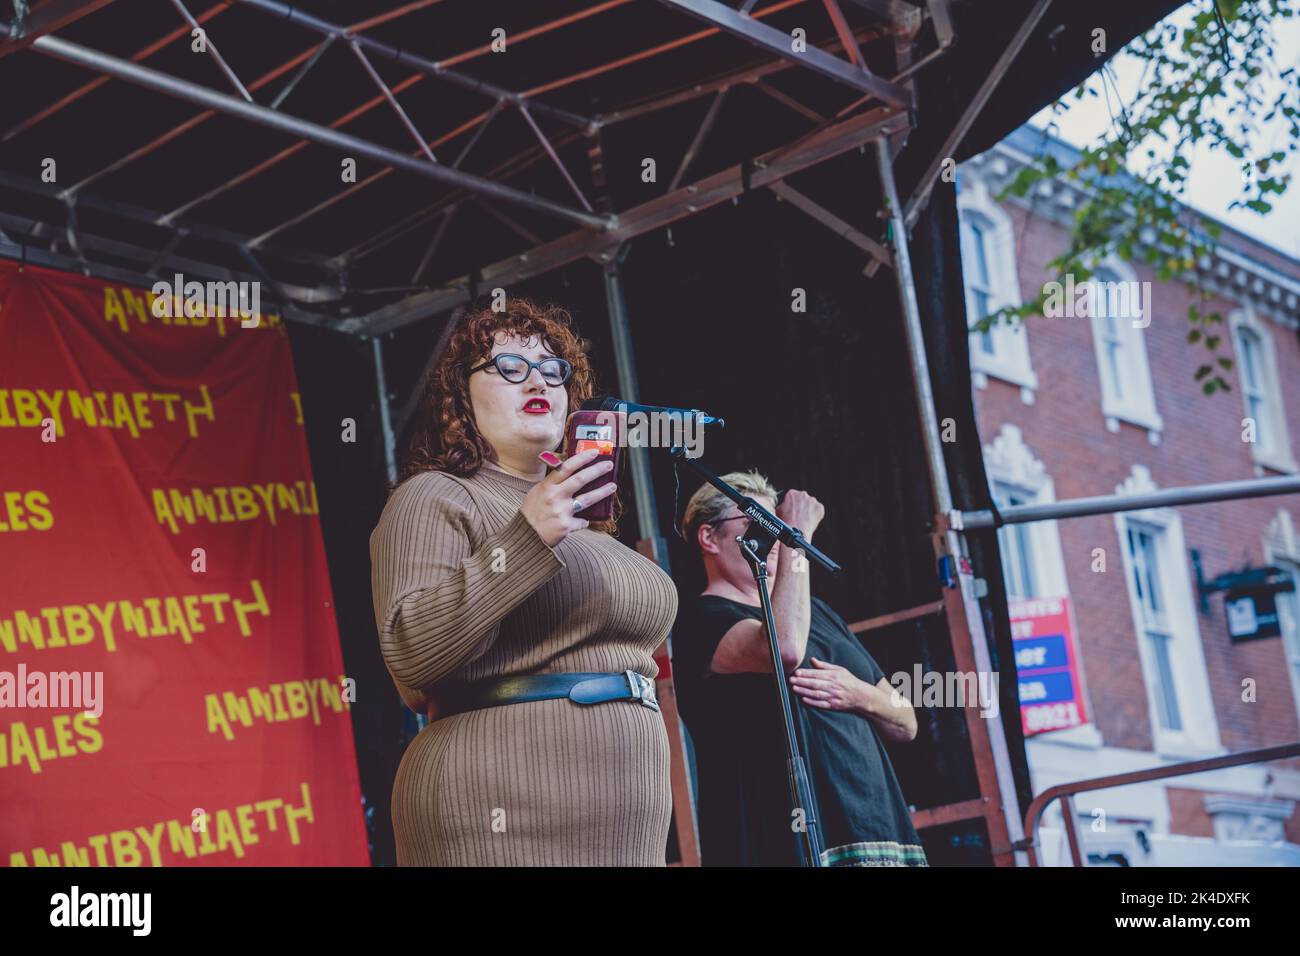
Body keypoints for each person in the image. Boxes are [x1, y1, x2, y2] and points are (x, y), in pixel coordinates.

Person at [370, 298, 677, 866]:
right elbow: (412, 658)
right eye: (509, 365)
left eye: (553, 368)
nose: (537, 377)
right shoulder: (435, 495)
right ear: (463, 394)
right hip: (498, 802)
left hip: (627, 813)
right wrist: (527, 538)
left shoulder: (588, 523)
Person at [672, 469, 927, 866]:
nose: (776, 537)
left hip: (874, 832)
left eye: (780, 525)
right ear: (710, 537)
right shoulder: (698, 619)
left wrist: (859, 694)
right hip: (786, 839)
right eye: (760, 523)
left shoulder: (819, 613)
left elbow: (905, 721)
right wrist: (799, 540)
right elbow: (784, 648)